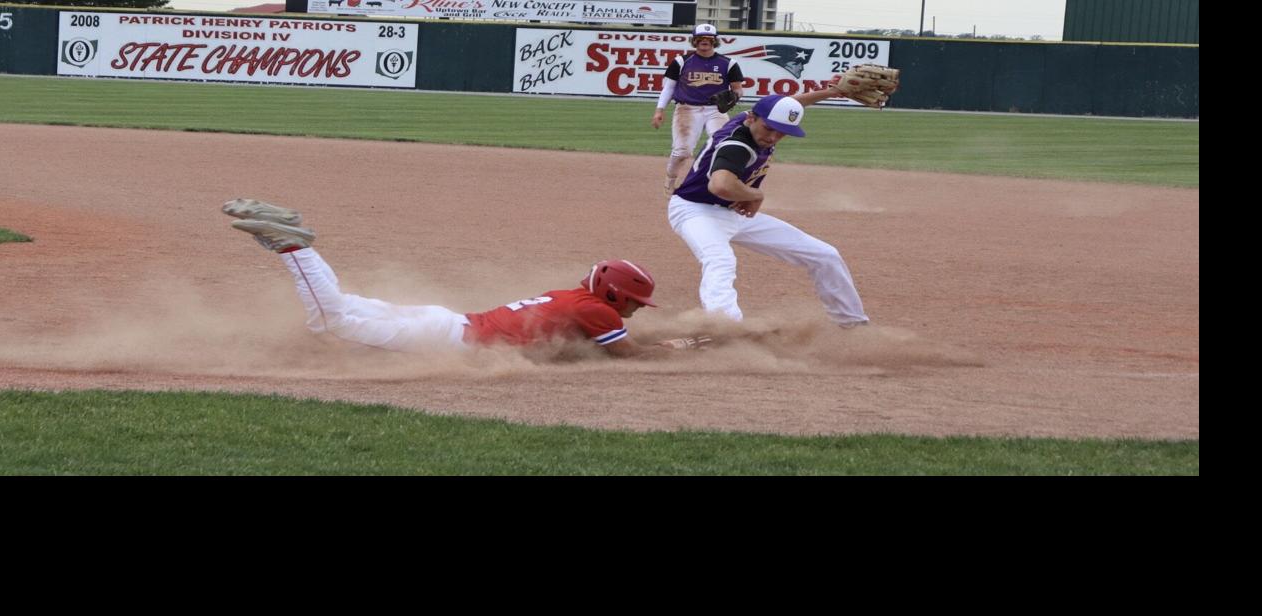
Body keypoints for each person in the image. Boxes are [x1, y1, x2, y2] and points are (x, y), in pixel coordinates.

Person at [222, 199, 708, 357]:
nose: (636, 309)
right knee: (333, 319)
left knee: (342, 307)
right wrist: (679, 348)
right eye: (635, 302)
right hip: (449, 335)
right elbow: (627, 353)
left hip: (449, 323)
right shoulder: (597, 311)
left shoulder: (573, 296)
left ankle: (295, 243)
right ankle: (293, 246)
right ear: (614, 294)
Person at [667, 90, 870, 327]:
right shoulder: (737, 145)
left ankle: (852, 323)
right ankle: (726, 328)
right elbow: (720, 185)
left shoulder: (757, 118)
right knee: (720, 260)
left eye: (781, 132)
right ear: (751, 118)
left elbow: (790, 104)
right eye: (769, 129)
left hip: (734, 213)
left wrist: (834, 92)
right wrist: (755, 194)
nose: (773, 137)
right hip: (696, 211)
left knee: (825, 255)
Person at [651, 23, 746, 196]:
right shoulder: (681, 61)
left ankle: (714, 183)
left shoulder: (728, 63)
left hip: (716, 110)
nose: (705, 41)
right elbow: (669, 88)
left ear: (715, 41)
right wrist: (659, 110)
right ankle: (670, 180)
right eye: (701, 38)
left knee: (722, 145)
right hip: (686, 109)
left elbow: (738, 89)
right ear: (694, 40)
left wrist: (734, 96)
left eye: (709, 38)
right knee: (682, 151)